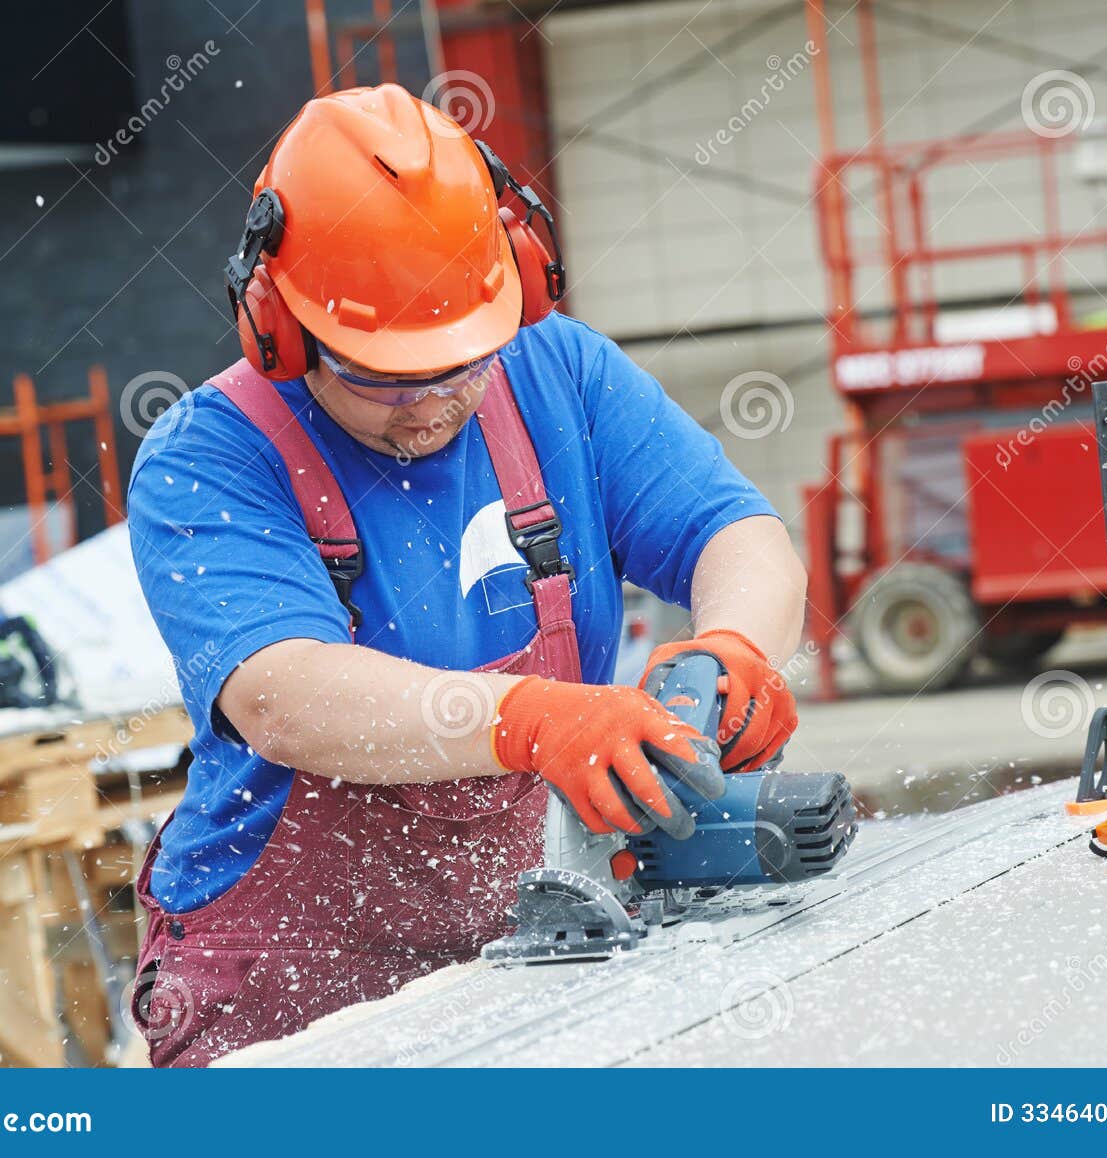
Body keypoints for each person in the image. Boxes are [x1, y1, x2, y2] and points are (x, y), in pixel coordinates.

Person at [125, 83, 805, 1067]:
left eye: (461, 363)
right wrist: (529, 720)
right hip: (287, 981)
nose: (433, 404)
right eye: (381, 376)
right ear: (278, 326)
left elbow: (733, 532)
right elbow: (282, 695)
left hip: (533, 940)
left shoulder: (558, 373)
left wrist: (738, 647)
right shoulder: (209, 458)